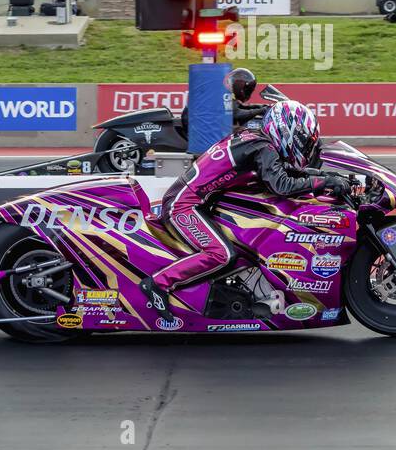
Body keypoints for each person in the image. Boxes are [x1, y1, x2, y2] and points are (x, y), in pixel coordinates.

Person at [140, 101, 354, 314]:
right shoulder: (262, 146)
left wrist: (324, 176)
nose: (306, 149)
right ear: (288, 132)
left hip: (199, 203)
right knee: (221, 254)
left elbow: (283, 170)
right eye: (305, 143)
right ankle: (159, 283)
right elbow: (282, 184)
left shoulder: (256, 140)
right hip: (184, 205)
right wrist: (322, 183)